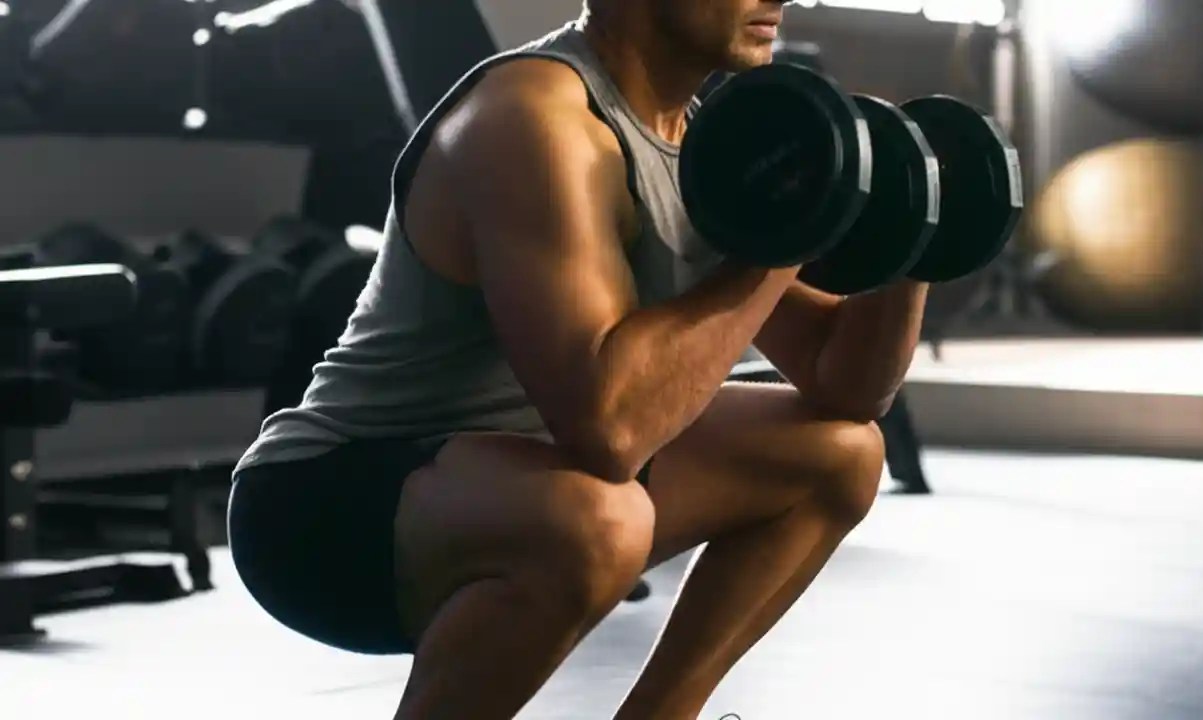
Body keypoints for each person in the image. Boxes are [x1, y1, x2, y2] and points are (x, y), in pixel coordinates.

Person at [226, 1, 928, 717]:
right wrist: (790, 233)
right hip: (329, 506)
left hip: (523, 476)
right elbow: (609, 431)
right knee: (599, 519)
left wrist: (916, 237)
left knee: (839, 453)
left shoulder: (697, 140)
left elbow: (846, 385)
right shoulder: (536, 117)